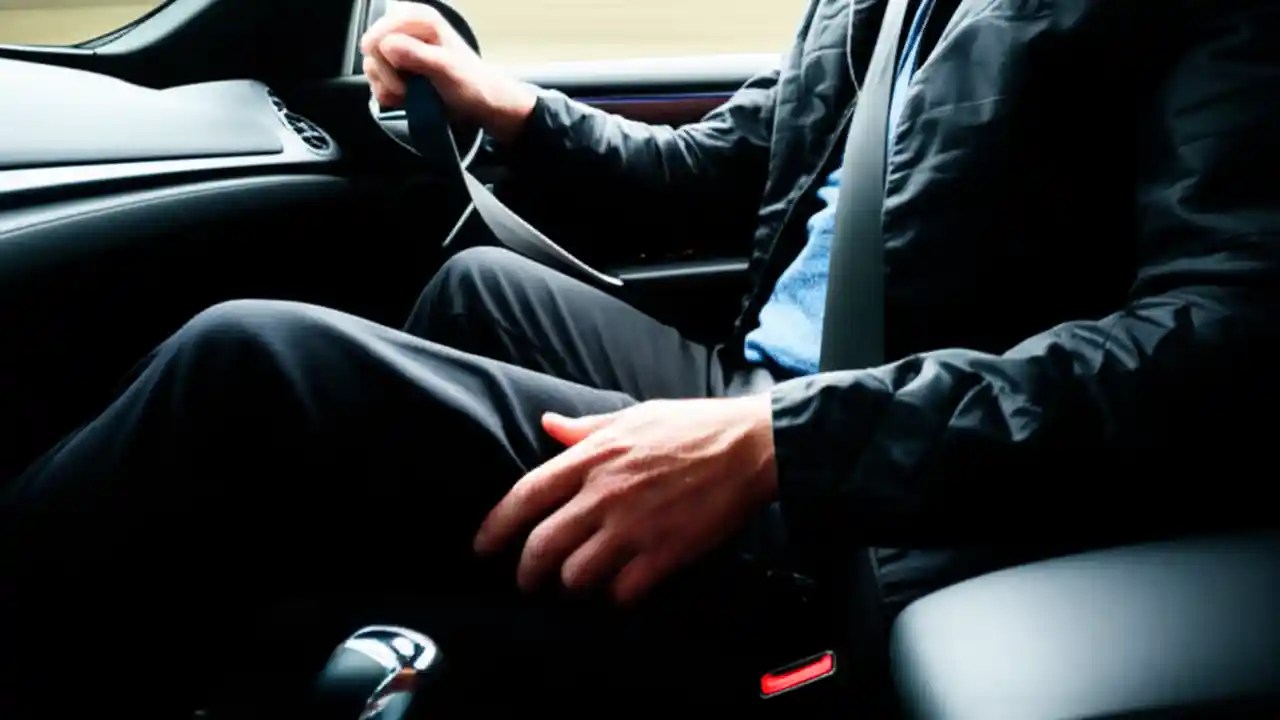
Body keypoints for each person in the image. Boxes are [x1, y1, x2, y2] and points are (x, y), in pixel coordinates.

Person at [2, 0, 1277, 716]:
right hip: (774, 396)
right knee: (475, 288)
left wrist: (777, 447)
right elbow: (719, 173)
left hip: (890, 485)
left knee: (255, 365)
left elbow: (1221, 336)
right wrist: (510, 106)